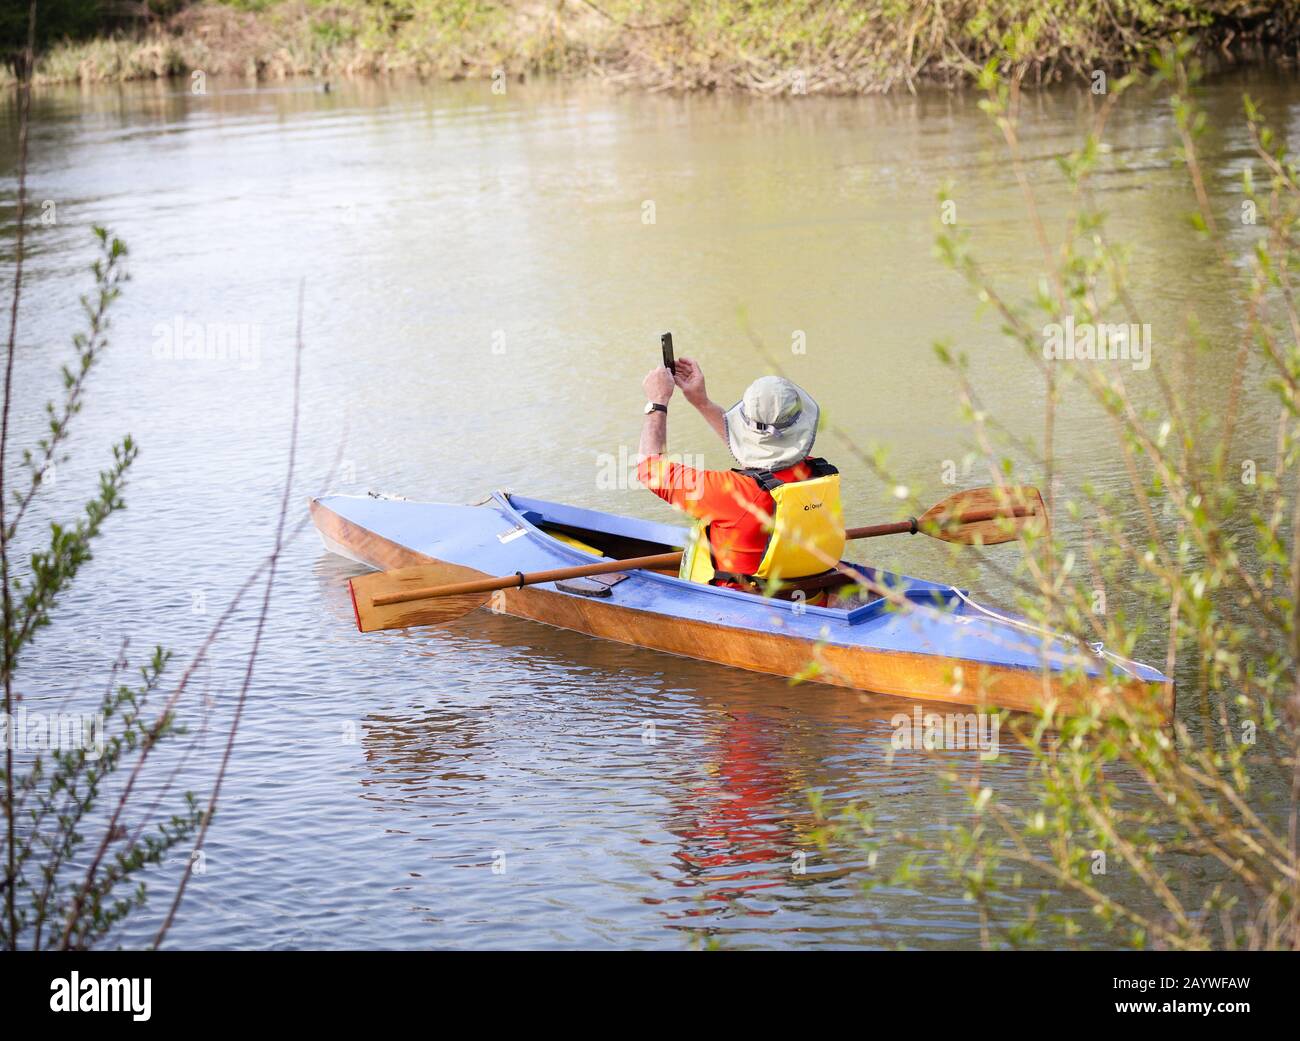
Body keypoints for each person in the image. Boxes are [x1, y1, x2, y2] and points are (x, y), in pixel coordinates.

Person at [636, 356, 845, 593]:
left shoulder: (732, 493)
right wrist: (701, 402)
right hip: (810, 596)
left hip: (736, 609)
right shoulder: (819, 472)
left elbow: (649, 468)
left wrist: (657, 402)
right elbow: (762, 456)